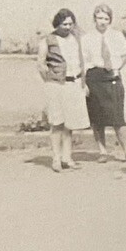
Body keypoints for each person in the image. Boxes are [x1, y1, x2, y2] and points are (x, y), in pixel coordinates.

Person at [38, 9, 89, 173]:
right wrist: (49, 81)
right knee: (57, 123)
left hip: (74, 84)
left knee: (69, 124)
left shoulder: (76, 39)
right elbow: (41, 64)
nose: (67, 27)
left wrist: (83, 83)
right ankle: (56, 159)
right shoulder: (47, 40)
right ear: (57, 24)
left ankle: (67, 158)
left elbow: (82, 62)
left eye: (70, 24)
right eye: (64, 24)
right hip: (56, 85)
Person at [80, 4, 126, 161]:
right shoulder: (86, 38)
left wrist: (117, 68)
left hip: (112, 76)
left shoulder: (117, 36)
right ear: (94, 19)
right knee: (97, 118)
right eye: (99, 18)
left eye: (106, 18)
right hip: (94, 77)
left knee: (117, 116)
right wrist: (84, 84)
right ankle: (102, 151)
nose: (102, 21)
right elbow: (83, 62)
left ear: (110, 20)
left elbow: (125, 55)